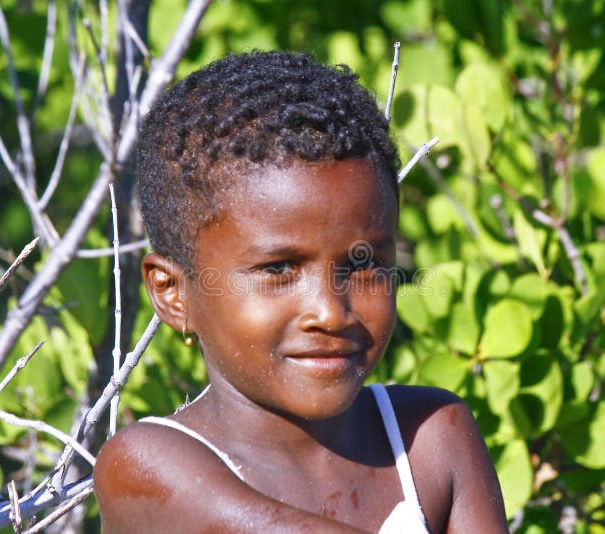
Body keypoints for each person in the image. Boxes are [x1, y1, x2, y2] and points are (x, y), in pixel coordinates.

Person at [93, 51, 507, 533]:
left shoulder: (430, 436)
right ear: (173, 292)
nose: (330, 312)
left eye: (363, 264)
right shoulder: (144, 465)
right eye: (279, 269)